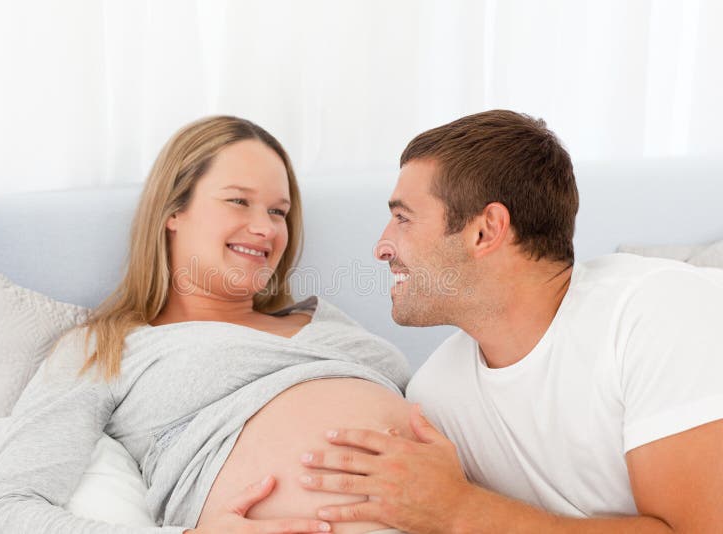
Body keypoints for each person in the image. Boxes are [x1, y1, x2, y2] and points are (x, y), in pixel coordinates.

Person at [0, 116, 414, 534]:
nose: (265, 228)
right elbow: (2, 515)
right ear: (173, 211)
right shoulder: (105, 349)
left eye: (278, 212)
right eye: (238, 201)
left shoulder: (328, 322)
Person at [297, 110, 723, 533]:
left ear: (485, 231)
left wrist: (459, 510)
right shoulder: (439, 395)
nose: (381, 247)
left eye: (403, 218)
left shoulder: (659, 313)